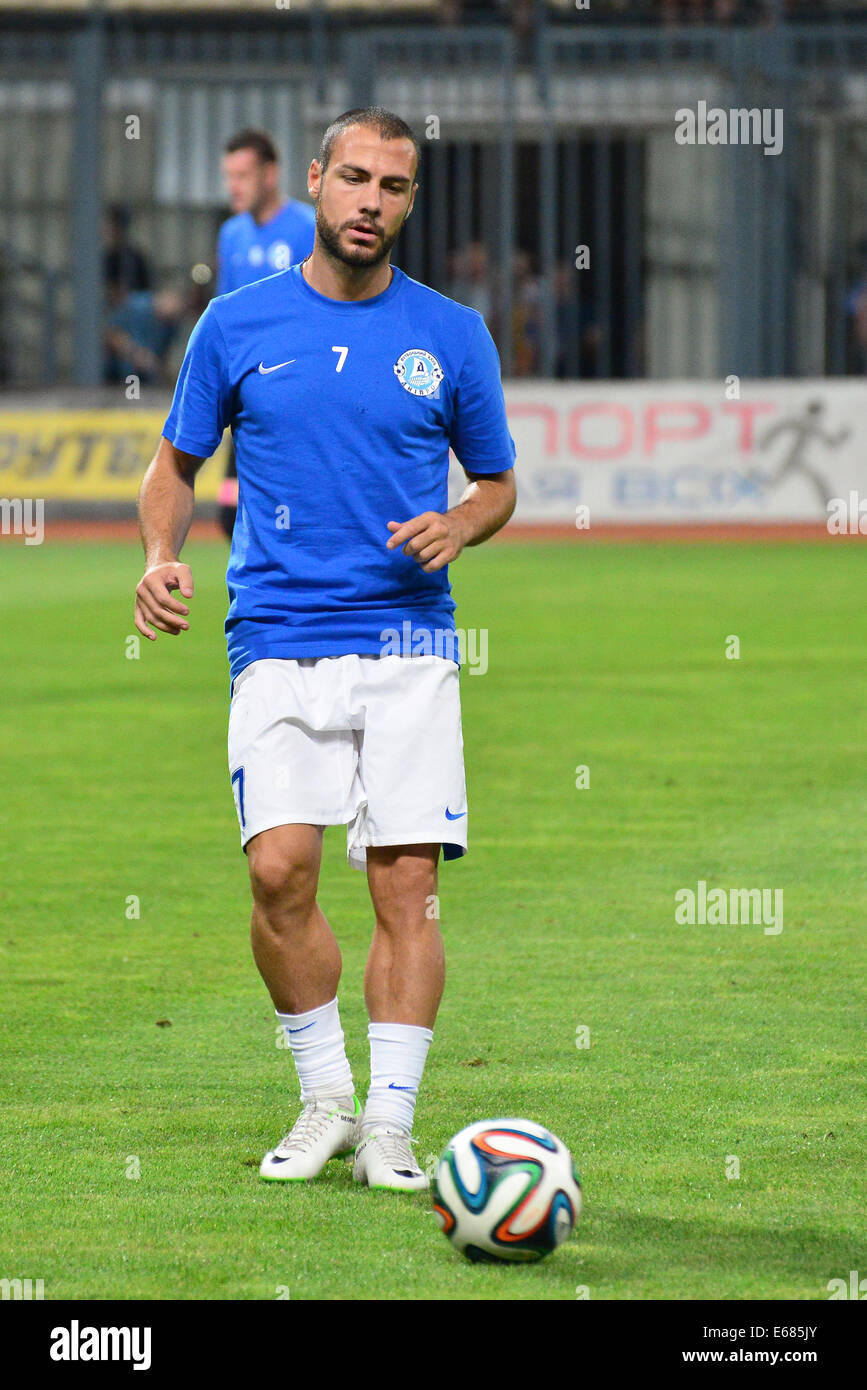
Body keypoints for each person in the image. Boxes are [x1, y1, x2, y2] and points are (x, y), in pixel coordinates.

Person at [135, 107, 517, 1193]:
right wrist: (161, 552)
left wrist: (465, 522)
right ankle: (326, 1100)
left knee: (407, 887)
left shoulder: (452, 334)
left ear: (410, 202)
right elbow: (175, 464)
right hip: (277, 637)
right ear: (315, 182)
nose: (370, 202)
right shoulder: (236, 323)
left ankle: (390, 1123)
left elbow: (496, 485)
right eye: (353, 179)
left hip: (408, 640)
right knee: (278, 873)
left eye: (393, 187)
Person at [215, 129, 316, 539]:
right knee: (229, 512)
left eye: (242, 175)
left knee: (296, 510)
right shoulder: (231, 235)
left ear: (269, 174)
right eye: (229, 176)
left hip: (297, 392)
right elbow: (224, 315)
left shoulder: (306, 228)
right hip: (248, 397)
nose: (232, 186)